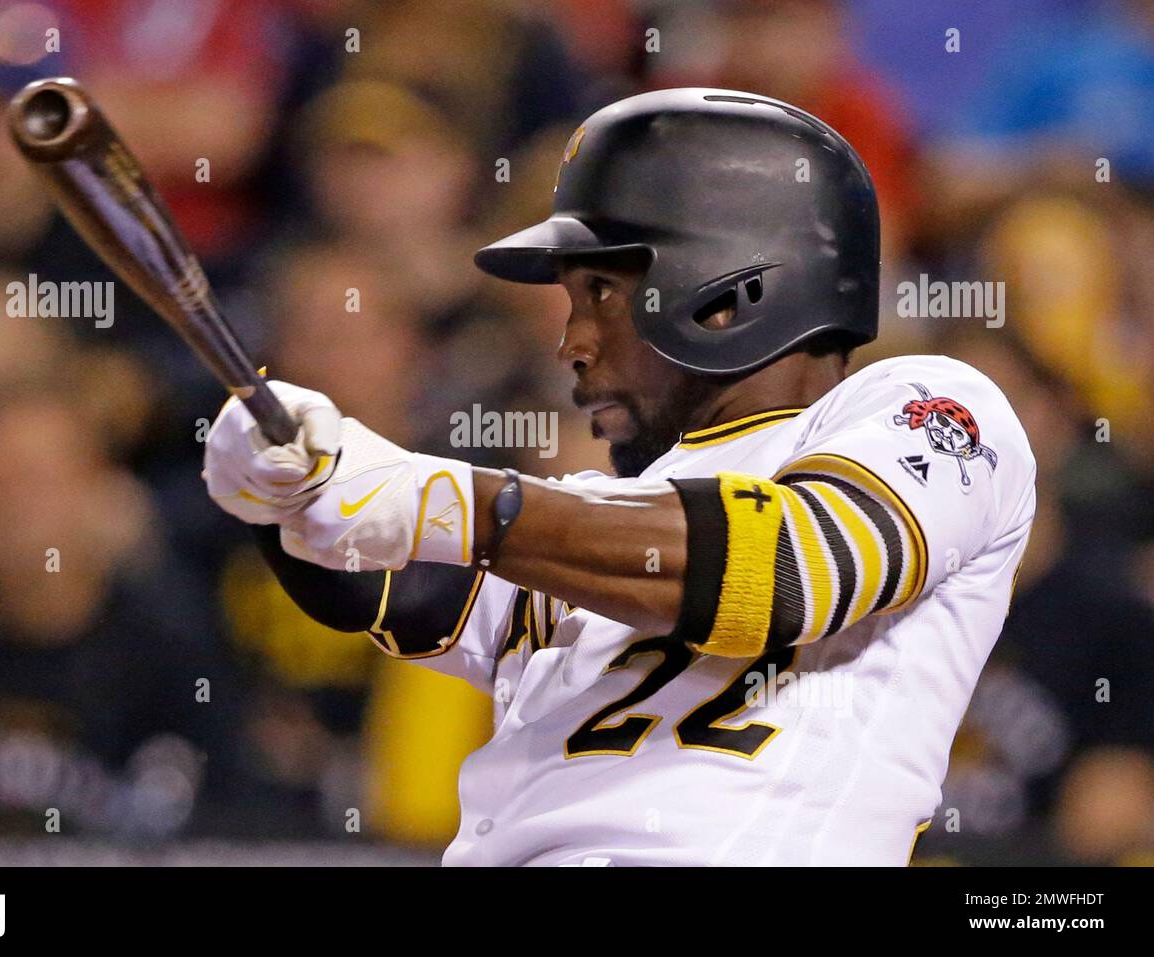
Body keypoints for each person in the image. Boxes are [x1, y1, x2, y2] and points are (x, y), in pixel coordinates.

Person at [201, 89, 1037, 866]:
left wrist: (439, 496)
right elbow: (401, 587)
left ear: (728, 291)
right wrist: (288, 485)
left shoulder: (923, 405)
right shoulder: (601, 517)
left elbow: (780, 569)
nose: (571, 342)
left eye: (599, 292)